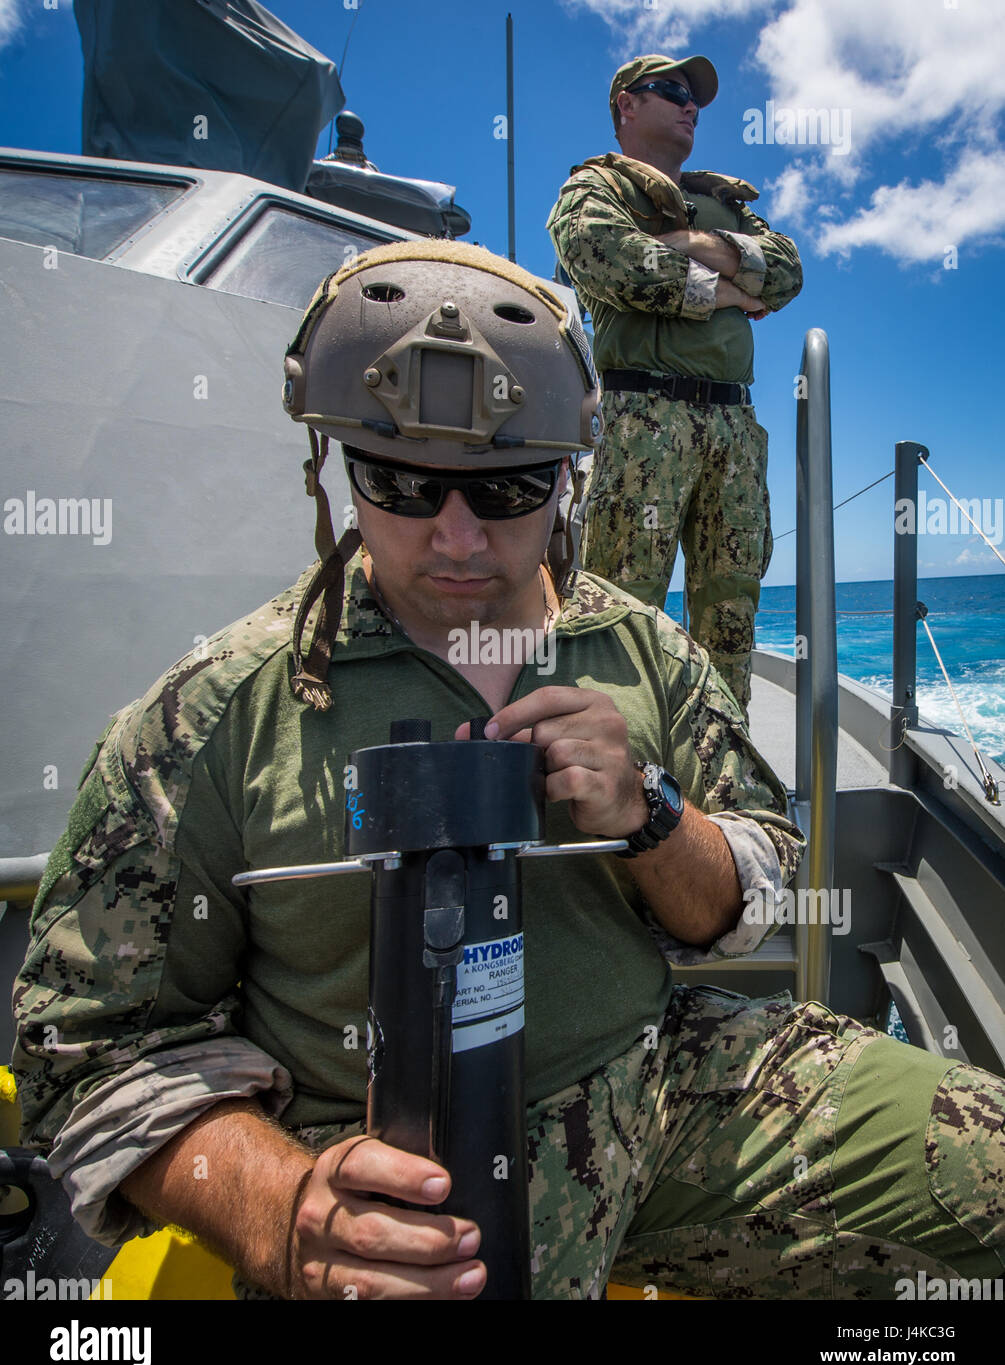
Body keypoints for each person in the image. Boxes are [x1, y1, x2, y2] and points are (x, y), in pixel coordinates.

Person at [12, 243, 1004, 1302]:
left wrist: (651, 815)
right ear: (333, 468)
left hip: (661, 1081)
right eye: (397, 481)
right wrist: (285, 1211)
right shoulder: (215, 714)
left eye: (505, 488)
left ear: (569, 480)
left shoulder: (642, 654)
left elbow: (758, 891)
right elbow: (92, 1053)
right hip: (375, 1159)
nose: (455, 535)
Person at [547, 53, 804, 712]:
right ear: (625, 106)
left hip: (735, 427)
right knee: (621, 602)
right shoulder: (595, 191)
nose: (689, 104)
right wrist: (729, 292)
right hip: (642, 416)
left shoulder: (724, 203)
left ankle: (720, 763)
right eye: (669, 91)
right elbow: (614, 263)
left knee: (731, 608)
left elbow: (783, 273)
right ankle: (620, 766)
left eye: (694, 97)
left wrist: (689, 241)